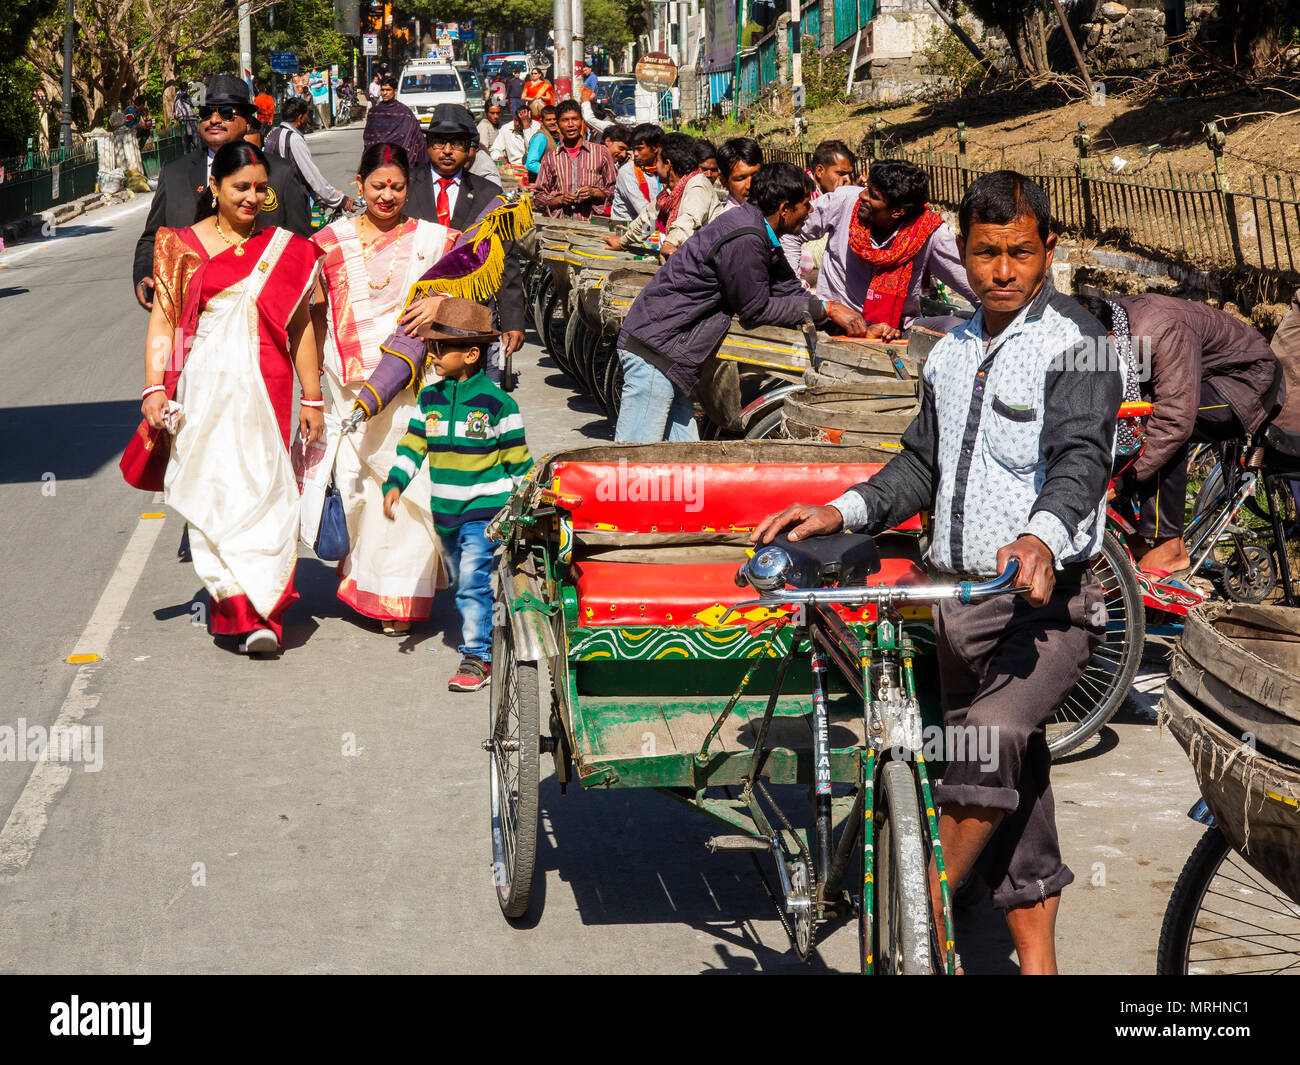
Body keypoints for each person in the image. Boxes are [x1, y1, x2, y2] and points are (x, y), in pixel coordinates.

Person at [753, 170, 1121, 975]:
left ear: (1047, 248)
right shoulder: (950, 347)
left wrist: (1041, 536)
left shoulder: (1085, 339)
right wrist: (841, 510)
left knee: (985, 746)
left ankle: (906, 925)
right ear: (962, 250)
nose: (1001, 270)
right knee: (1015, 795)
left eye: (1019, 252)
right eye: (986, 253)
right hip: (954, 607)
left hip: (1041, 606)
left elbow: (1082, 456)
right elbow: (918, 465)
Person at [130, 141, 323, 655]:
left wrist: (313, 396)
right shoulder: (179, 246)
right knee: (212, 495)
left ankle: (263, 607)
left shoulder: (286, 249)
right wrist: (154, 386)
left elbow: (301, 326)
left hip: (268, 389)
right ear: (214, 188)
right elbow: (165, 322)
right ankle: (240, 611)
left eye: (261, 188)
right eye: (241, 187)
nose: (252, 197)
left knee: (268, 497)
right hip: (202, 391)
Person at [312, 142, 458, 636]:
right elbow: (309, 312)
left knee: (412, 486)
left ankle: (402, 597)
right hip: (350, 388)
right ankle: (368, 581)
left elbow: (474, 291)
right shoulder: (328, 244)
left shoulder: (435, 241)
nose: (388, 195)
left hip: (413, 386)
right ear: (359, 184)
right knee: (360, 490)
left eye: (397, 186)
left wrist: (441, 304)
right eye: (378, 186)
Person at [613, 162, 866, 443]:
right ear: (784, 208)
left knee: (681, 460)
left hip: (672, 356)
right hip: (656, 350)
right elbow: (755, 308)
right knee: (632, 460)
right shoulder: (746, 237)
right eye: (806, 205)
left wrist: (840, 320)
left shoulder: (759, 230)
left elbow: (787, 287)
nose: (810, 212)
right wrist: (825, 308)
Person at [381, 298, 534, 691]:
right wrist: (395, 483)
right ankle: (488, 617)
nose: (431, 353)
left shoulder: (499, 405)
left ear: (470, 354)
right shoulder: (429, 399)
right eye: (430, 345)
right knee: (461, 579)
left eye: (439, 347)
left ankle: (477, 657)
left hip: (485, 511)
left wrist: (523, 509)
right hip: (444, 511)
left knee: (471, 580)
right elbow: (412, 446)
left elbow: (520, 465)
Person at [1085, 293, 1282, 578]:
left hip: (1247, 383)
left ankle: (1169, 546)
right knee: (1122, 414)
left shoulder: (1160, 328)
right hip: (1193, 374)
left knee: (1157, 421)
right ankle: (1133, 536)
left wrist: (1123, 481)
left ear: (1111, 336)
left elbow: (1174, 419)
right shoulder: (1114, 322)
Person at [133, 74, 310, 310]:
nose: (214, 119)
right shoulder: (174, 173)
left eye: (226, 113)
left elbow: (300, 242)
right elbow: (151, 238)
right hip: (190, 311)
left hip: (260, 312)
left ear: (247, 122)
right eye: (207, 113)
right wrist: (144, 274)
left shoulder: (279, 173)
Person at [781, 158, 976, 339]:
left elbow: (973, 285)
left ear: (897, 211)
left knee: (954, 326)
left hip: (895, 330)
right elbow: (790, 231)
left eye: (873, 195)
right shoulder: (844, 201)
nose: (862, 195)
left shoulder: (929, 232)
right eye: (867, 188)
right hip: (832, 321)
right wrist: (797, 295)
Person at [405, 104, 527, 380]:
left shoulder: (489, 195)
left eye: (456, 144)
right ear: (428, 144)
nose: (447, 150)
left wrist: (513, 321)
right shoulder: (407, 188)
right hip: (415, 315)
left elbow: (506, 262)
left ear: (470, 149)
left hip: (470, 316)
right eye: (439, 142)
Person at [606, 132, 721, 255]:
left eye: (658, 161)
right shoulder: (669, 193)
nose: (655, 166)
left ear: (668, 165)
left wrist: (670, 243)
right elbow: (648, 220)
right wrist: (623, 242)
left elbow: (690, 218)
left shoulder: (698, 184)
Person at [265, 98, 356, 214]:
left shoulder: (274, 134)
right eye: (307, 115)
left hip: (272, 199)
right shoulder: (293, 138)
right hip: (290, 205)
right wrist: (340, 199)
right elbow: (311, 176)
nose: (308, 119)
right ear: (300, 117)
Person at [531, 100, 617, 219]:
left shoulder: (601, 152)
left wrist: (595, 192)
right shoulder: (550, 157)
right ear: (558, 124)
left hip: (593, 225)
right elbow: (538, 197)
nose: (570, 124)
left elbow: (614, 192)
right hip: (562, 225)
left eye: (575, 119)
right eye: (565, 120)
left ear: (582, 122)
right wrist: (559, 200)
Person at [363, 74, 427, 185]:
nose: (385, 93)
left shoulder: (404, 112)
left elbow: (414, 136)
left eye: (388, 90)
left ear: (395, 91)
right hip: (377, 163)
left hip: (399, 162)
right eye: (382, 90)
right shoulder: (374, 112)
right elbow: (369, 138)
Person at [611, 123, 662, 221]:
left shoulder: (663, 168)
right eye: (633, 149)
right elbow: (645, 212)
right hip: (628, 228)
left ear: (655, 148)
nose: (635, 154)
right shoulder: (627, 172)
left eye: (639, 149)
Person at [717, 136, 762, 208]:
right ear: (724, 183)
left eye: (755, 175)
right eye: (741, 179)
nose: (750, 185)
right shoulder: (729, 218)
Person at [523, 103, 559, 181]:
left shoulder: (557, 136)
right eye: (548, 120)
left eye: (555, 119)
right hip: (541, 181)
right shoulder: (540, 137)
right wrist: (554, 172)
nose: (552, 122)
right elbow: (531, 164)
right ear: (542, 121)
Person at [173, 88, 200, 154]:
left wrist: (177, 117)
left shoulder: (177, 99)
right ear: (186, 89)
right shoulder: (187, 97)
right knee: (195, 141)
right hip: (193, 120)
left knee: (186, 142)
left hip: (184, 122)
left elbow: (176, 112)